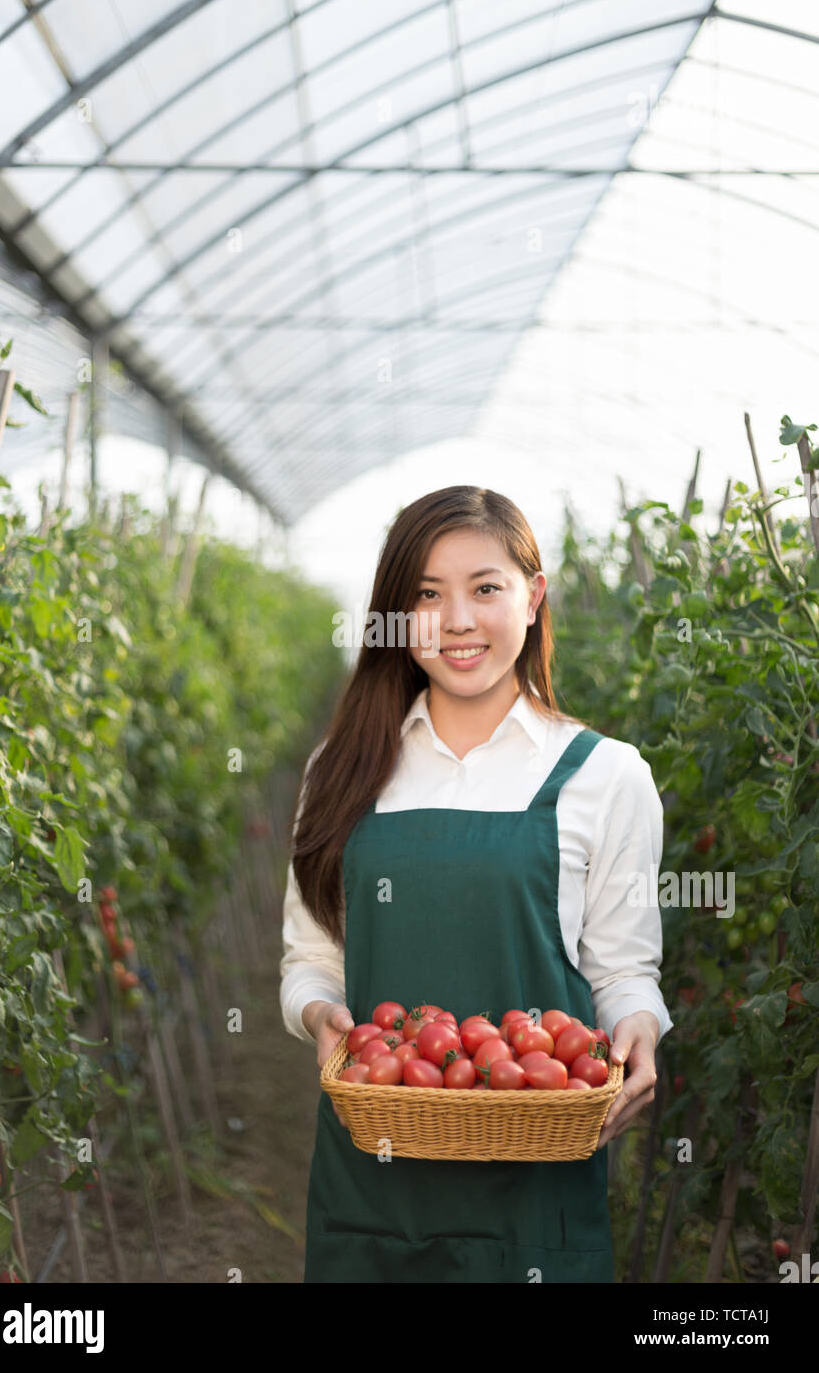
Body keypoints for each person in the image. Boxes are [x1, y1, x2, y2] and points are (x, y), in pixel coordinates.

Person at [280, 484, 672, 1283]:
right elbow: (311, 959)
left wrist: (640, 1028)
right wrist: (320, 1015)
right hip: (372, 1185)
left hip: (536, 1195)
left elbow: (624, 969)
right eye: (427, 594)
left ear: (532, 598)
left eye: (485, 588)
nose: (457, 620)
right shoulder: (341, 772)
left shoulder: (606, 776)